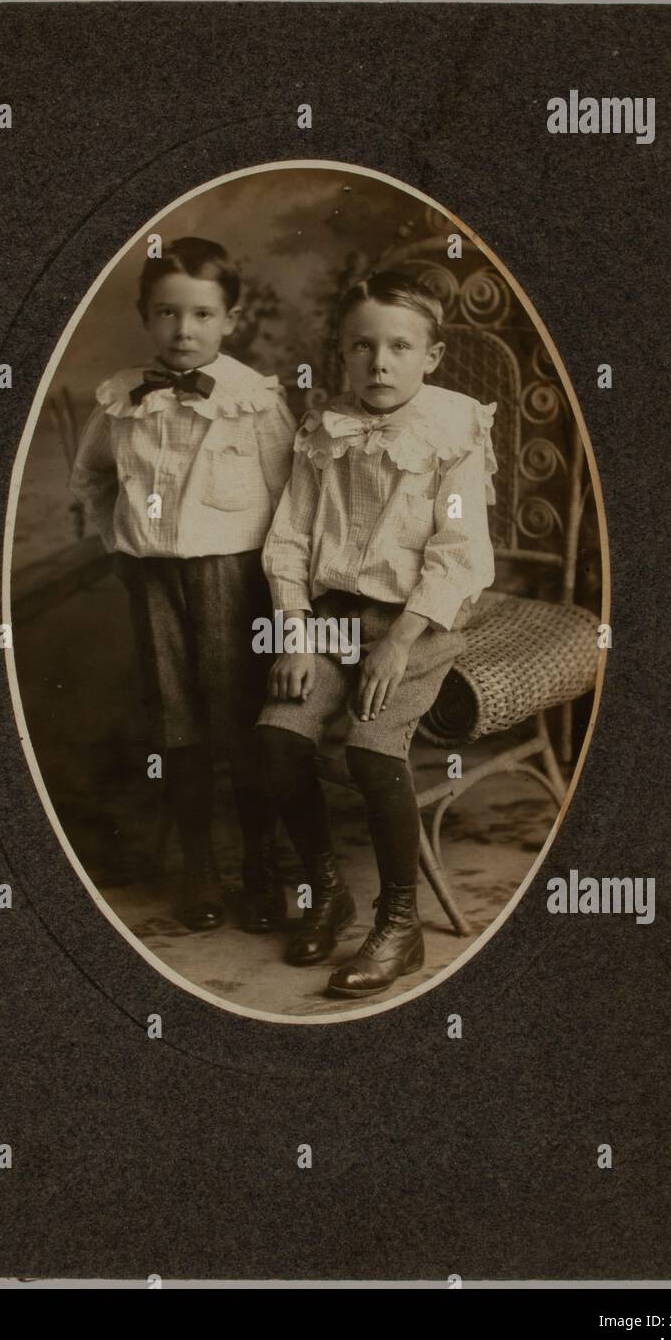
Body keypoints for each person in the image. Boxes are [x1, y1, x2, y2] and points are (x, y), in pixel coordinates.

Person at [255, 270, 497, 998]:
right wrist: (293, 634)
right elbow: (290, 539)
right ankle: (327, 889)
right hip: (328, 620)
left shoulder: (452, 429)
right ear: (342, 353)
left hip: (416, 619)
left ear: (431, 355)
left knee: (368, 746)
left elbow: (459, 552)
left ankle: (400, 922)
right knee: (275, 736)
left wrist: (399, 643)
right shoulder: (323, 428)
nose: (379, 363)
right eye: (363, 346)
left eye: (399, 346)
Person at [70, 237, 296, 934]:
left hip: (234, 574)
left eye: (202, 314)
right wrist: (122, 542)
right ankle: (199, 865)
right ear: (145, 315)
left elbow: (296, 496)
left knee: (239, 720)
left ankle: (261, 861)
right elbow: (92, 476)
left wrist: (287, 598)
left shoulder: (254, 402)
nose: (184, 330)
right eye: (167, 313)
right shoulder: (120, 400)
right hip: (153, 578)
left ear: (230, 319)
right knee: (176, 722)